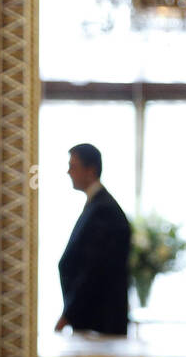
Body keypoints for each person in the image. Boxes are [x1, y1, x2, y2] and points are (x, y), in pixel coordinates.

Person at [55, 143, 131, 335]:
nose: (68, 172)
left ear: (90, 170)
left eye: (73, 166)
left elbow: (93, 268)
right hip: (92, 318)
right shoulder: (96, 205)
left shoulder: (104, 209)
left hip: (99, 321)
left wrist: (68, 314)